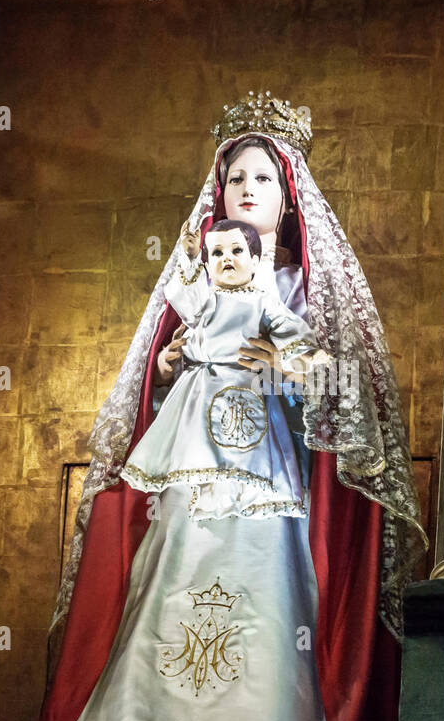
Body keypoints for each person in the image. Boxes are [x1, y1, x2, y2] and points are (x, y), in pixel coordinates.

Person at [22, 92, 426, 721]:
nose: (247, 188)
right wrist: (169, 368)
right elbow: (151, 389)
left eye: (262, 177)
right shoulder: (197, 282)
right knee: (171, 580)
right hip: (192, 481)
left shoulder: (309, 287)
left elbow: (352, 394)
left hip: (276, 482)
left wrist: (287, 373)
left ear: (289, 195)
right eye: (235, 177)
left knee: (269, 589)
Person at [122, 218, 327, 521]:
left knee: (246, 461)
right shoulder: (205, 302)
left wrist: (293, 362)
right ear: (207, 264)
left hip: (247, 387)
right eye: (216, 253)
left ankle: (240, 505)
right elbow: (185, 299)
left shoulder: (264, 303)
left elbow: (292, 336)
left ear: (255, 261)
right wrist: (190, 258)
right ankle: (202, 504)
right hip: (199, 391)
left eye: (236, 250)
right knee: (197, 459)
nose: (227, 258)